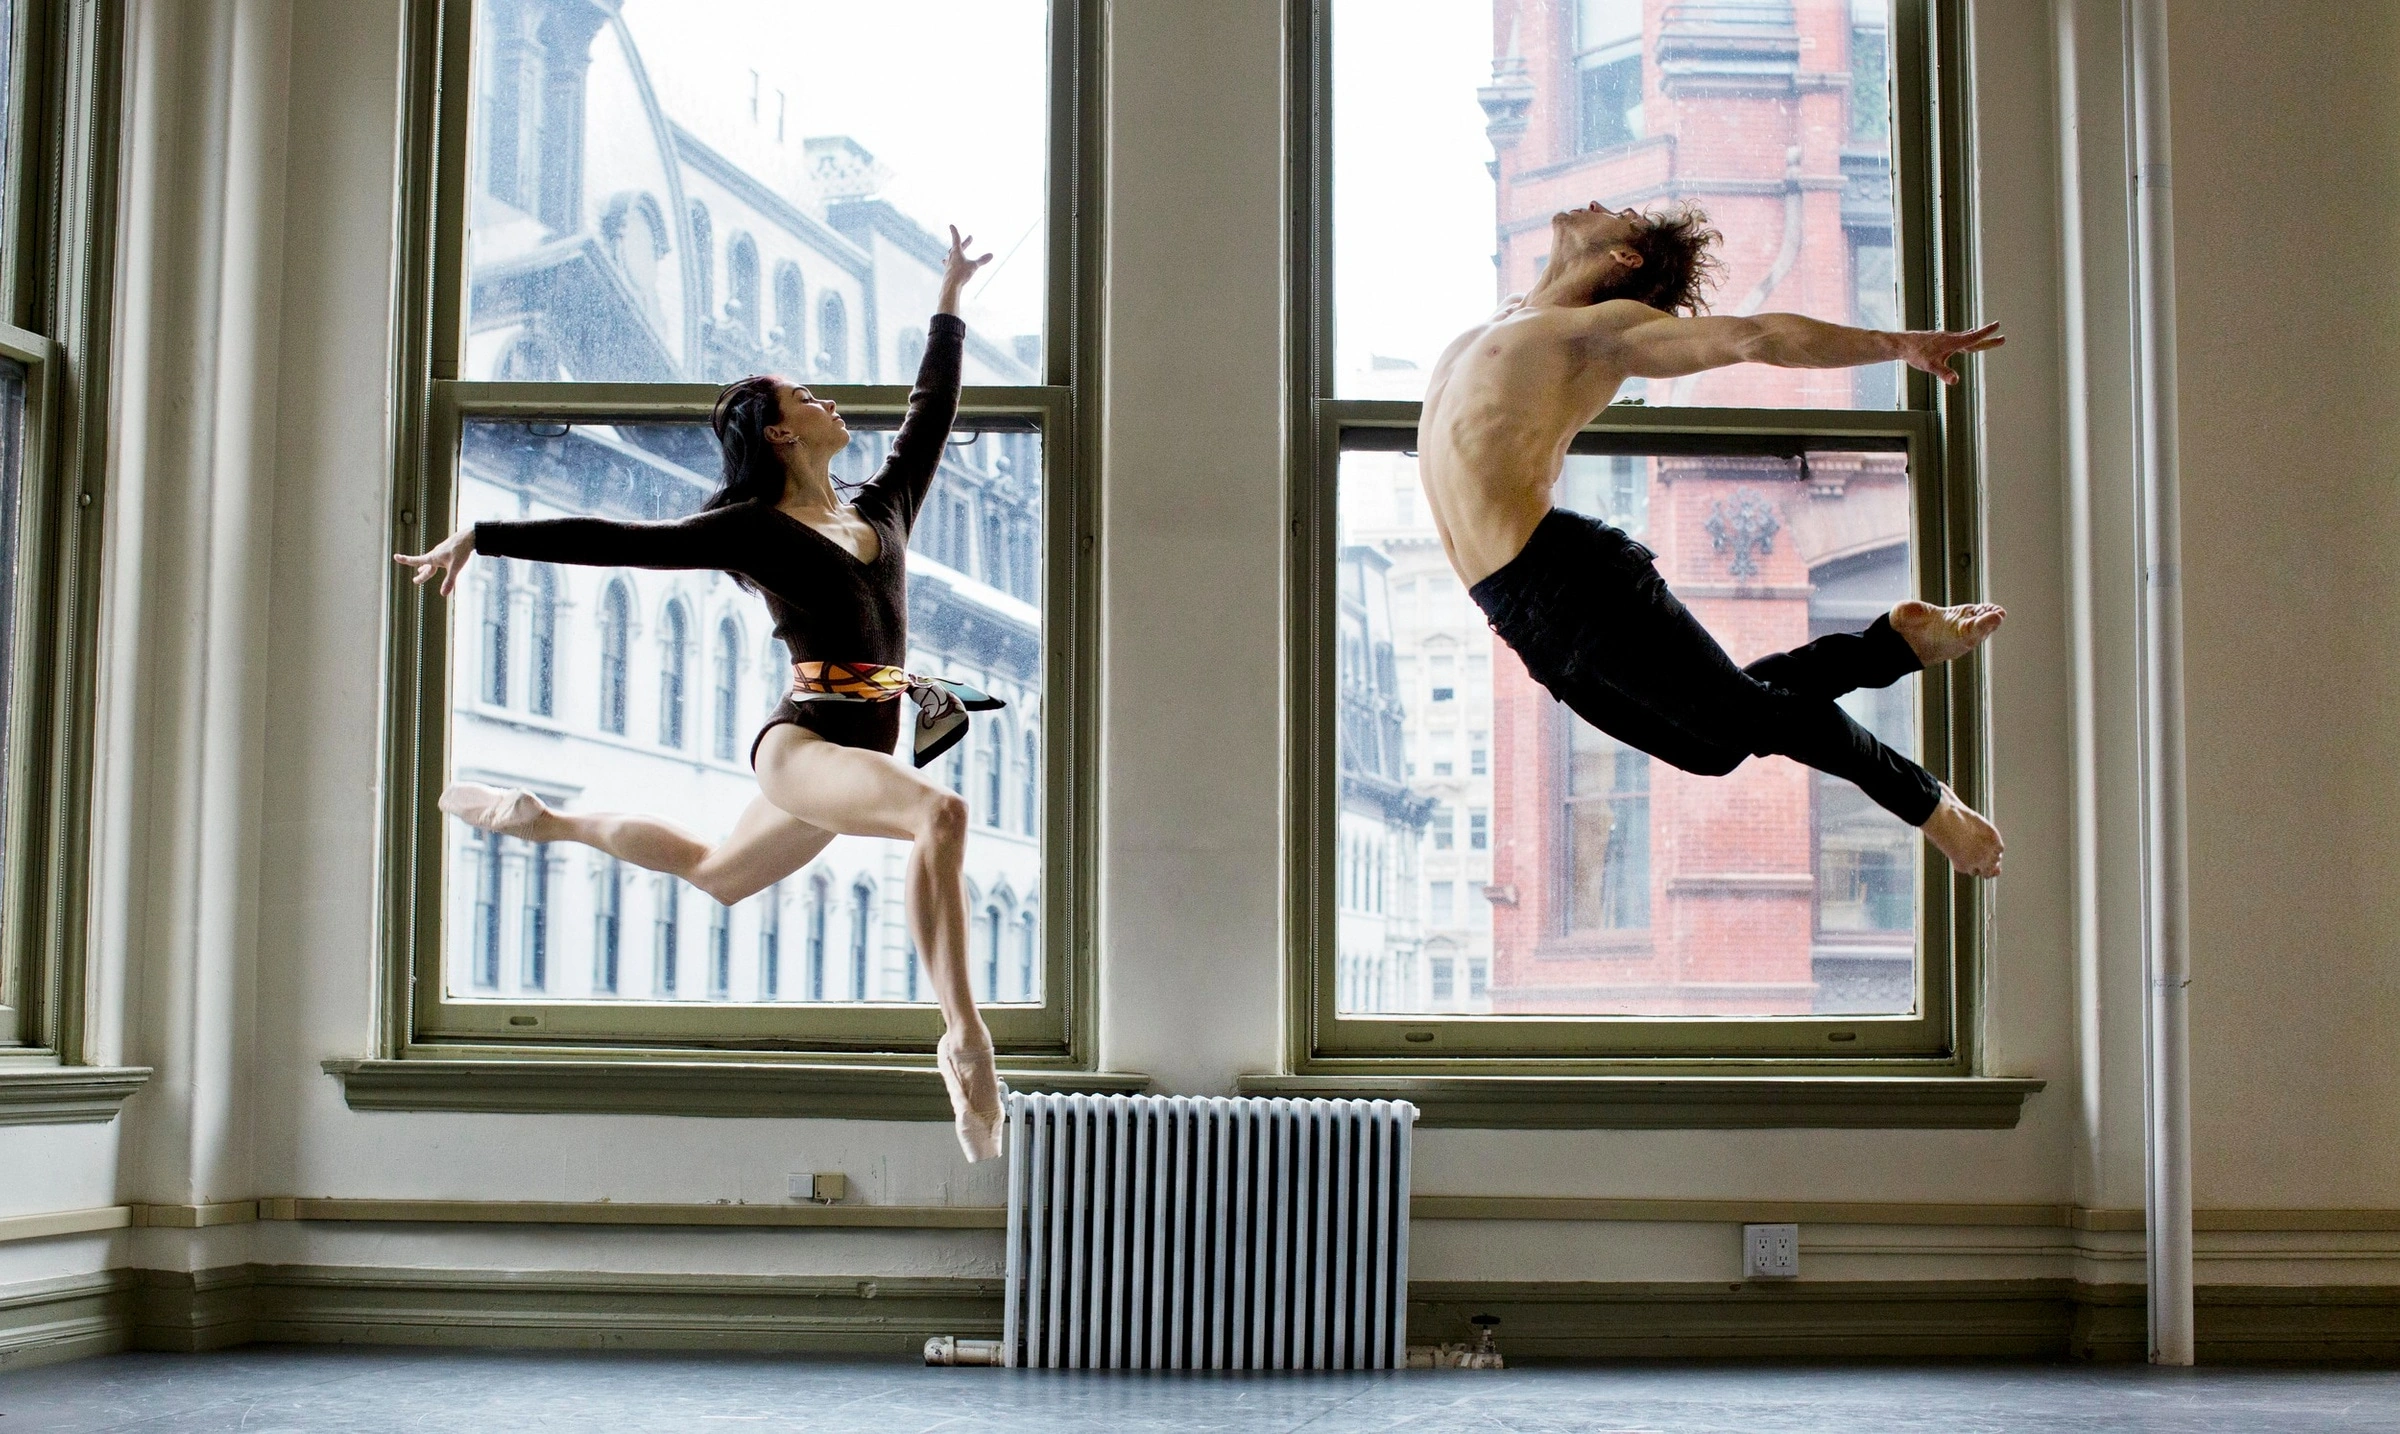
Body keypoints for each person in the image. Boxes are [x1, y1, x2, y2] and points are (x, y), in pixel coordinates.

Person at [396, 227, 1013, 1161]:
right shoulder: (751, 531)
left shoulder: (881, 508)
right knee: (944, 814)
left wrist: (950, 296)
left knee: (717, 875)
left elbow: (930, 414)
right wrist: (483, 533)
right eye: (806, 396)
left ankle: (544, 821)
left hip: (860, 750)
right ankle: (966, 1045)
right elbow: (622, 540)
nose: (827, 400)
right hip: (801, 747)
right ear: (778, 432)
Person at [1420, 201, 2009, 878]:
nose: (1598, 205)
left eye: (1622, 214)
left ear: (1626, 258)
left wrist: (1897, 345)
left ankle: (1930, 803)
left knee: (1741, 721)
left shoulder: (1599, 332)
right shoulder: (1500, 321)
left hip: (1567, 578)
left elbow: (1755, 337)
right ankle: (1894, 646)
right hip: (1513, 608)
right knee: (1714, 747)